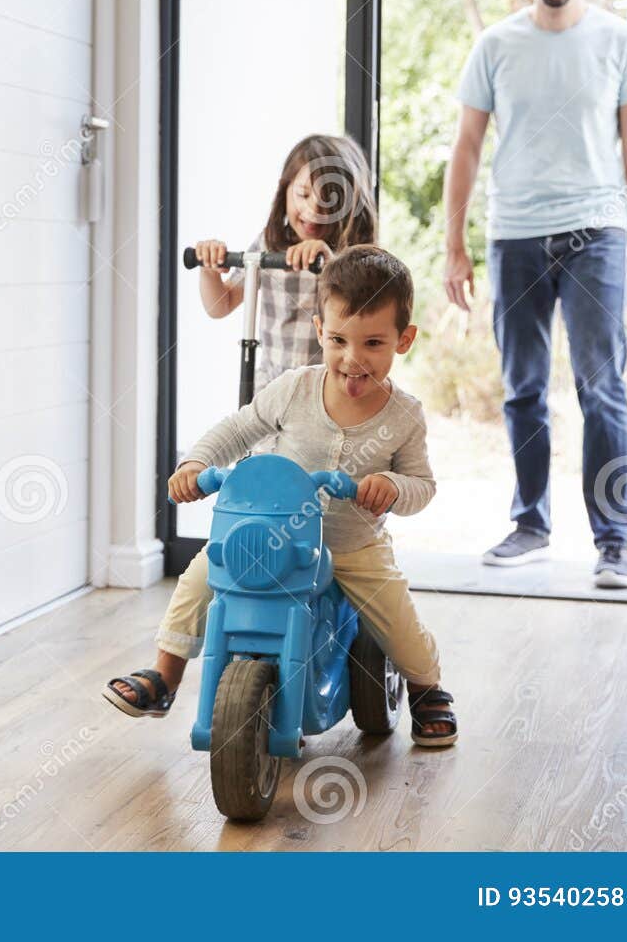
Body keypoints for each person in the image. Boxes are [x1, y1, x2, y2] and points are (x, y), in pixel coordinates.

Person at [103, 245, 457, 747]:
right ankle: (165, 676)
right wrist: (196, 463)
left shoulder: (404, 415)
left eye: (373, 343)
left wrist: (394, 488)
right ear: (319, 332)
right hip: (272, 536)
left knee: (397, 619)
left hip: (353, 546)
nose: (353, 359)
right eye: (338, 340)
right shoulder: (294, 389)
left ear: (404, 340)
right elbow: (239, 428)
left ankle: (427, 690)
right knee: (203, 576)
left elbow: (423, 486)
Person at [442, 0, 627, 590]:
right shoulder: (497, 46)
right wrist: (454, 244)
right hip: (514, 234)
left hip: (595, 232)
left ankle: (613, 540)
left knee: (602, 386)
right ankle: (531, 523)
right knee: (524, 389)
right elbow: (467, 145)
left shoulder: (619, 41)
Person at [193, 133, 378, 394]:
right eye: (303, 195)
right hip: (271, 391)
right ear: (285, 191)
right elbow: (220, 304)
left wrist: (330, 264)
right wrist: (209, 270)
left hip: (326, 393)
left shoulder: (354, 259)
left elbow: (366, 318)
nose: (314, 211)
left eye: (329, 202)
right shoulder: (269, 244)